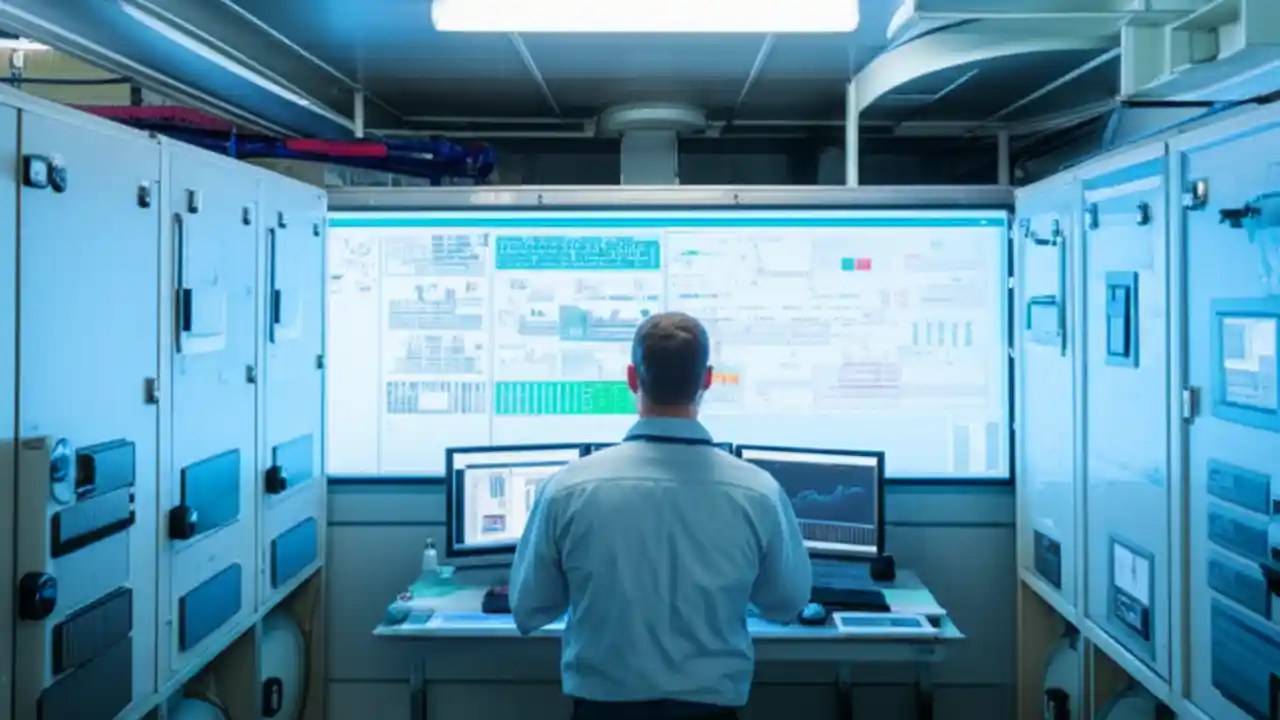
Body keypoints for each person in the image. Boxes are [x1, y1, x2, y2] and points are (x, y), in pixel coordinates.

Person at [509, 312, 812, 720]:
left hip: (602, 709)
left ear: (632, 379)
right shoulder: (758, 492)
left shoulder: (568, 488)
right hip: (710, 710)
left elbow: (529, 608)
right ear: (707, 380)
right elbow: (786, 604)